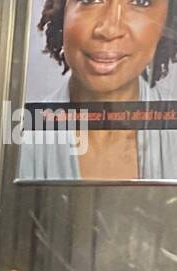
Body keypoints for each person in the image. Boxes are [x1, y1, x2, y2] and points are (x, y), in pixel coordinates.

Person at [20, 0, 177, 181]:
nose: (109, 30)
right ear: (62, 12)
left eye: (140, 2)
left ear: (167, 22)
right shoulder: (13, 142)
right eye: (90, 0)